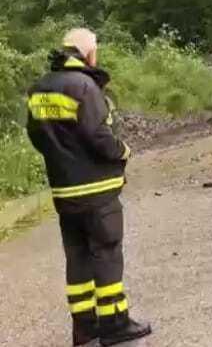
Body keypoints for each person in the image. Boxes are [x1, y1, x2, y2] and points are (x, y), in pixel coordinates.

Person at [26, 28, 152, 346]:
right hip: (96, 190)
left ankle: (84, 328)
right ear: (88, 53)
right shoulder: (84, 86)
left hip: (64, 192)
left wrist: (61, 159)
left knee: (78, 256)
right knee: (107, 252)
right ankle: (115, 324)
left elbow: (36, 135)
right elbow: (99, 136)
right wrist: (123, 151)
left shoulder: (41, 87)